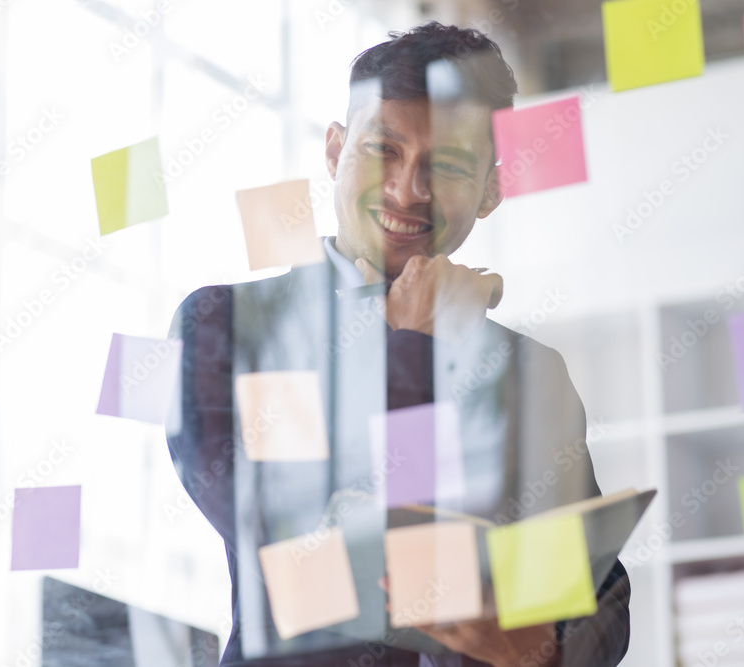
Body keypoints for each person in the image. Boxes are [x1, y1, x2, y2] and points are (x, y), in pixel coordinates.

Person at [165, 21, 631, 667]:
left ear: (491, 190)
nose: (409, 190)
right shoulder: (224, 326)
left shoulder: (528, 371)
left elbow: (595, 593)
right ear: (334, 152)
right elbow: (302, 547)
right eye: (384, 149)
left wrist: (544, 647)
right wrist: (417, 347)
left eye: (448, 164)